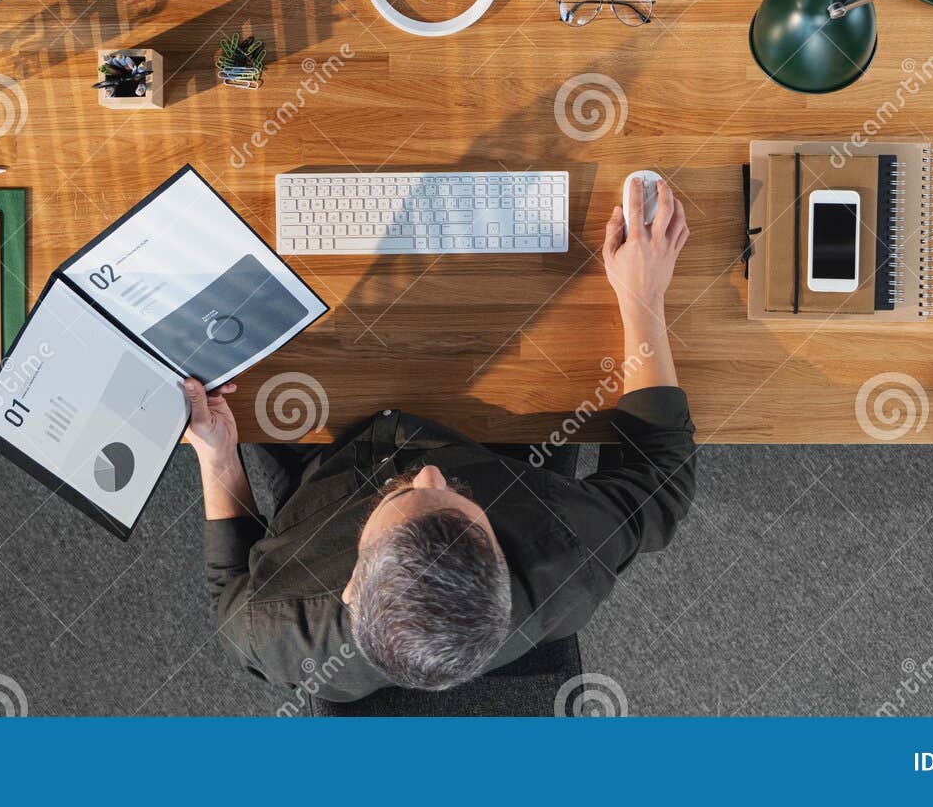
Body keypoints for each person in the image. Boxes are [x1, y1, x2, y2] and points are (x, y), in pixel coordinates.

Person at [188, 177, 695, 702]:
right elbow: (661, 478)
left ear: (349, 589)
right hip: (487, 442)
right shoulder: (563, 564)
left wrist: (219, 456)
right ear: (504, 567)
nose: (429, 473)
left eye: (403, 496)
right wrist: (643, 295)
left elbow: (229, 583)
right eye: (457, 501)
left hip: (330, 462)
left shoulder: (275, 630)